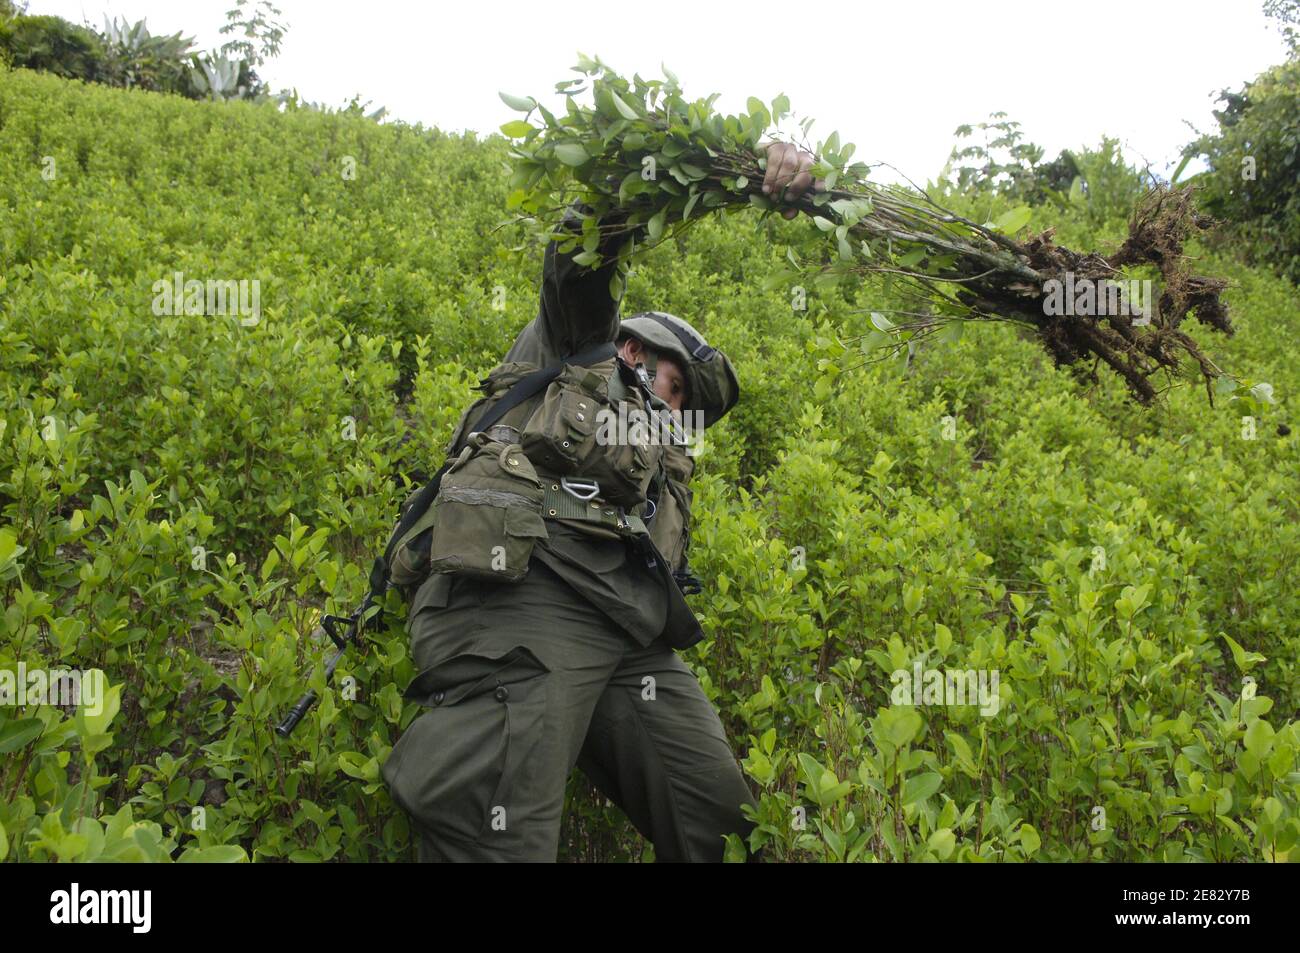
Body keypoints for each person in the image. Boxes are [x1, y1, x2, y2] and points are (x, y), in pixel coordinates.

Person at [380, 141, 822, 862]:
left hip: (628, 634)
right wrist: (704, 167)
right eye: (660, 369)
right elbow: (582, 253)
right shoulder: (573, 346)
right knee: (495, 839)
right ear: (628, 345)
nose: (664, 394)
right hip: (524, 596)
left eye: (682, 398)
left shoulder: (667, 470)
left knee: (728, 827)